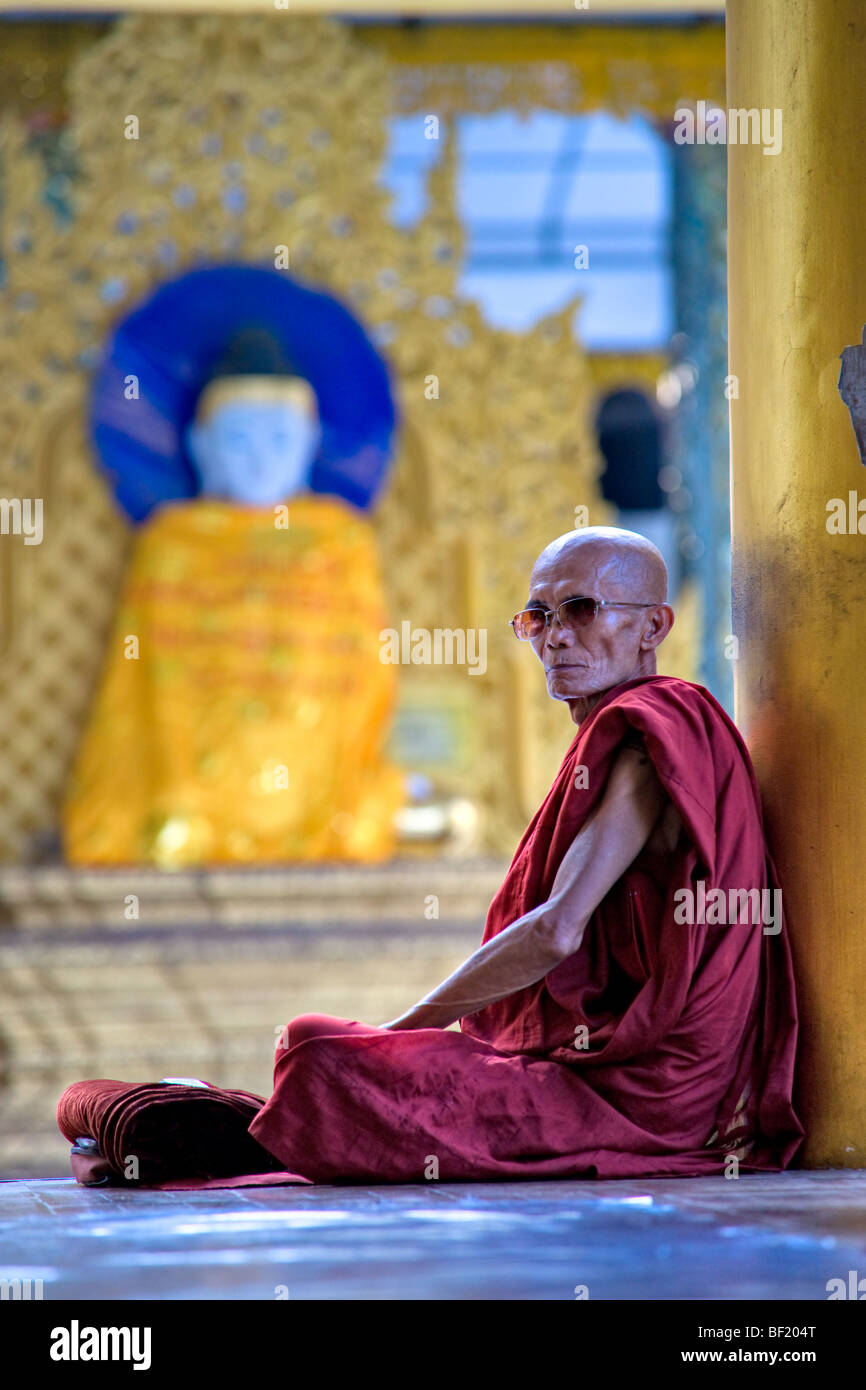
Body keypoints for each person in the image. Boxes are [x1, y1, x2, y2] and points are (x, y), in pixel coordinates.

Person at [57, 525, 803, 1185]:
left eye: (582, 610)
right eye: (538, 617)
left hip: (641, 1095)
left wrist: (406, 1030)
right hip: (584, 1066)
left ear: (654, 626)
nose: (556, 636)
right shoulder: (610, 735)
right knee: (316, 1048)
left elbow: (557, 929)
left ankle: (234, 1136)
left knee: (324, 1053)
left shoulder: (654, 732)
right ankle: (238, 1132)